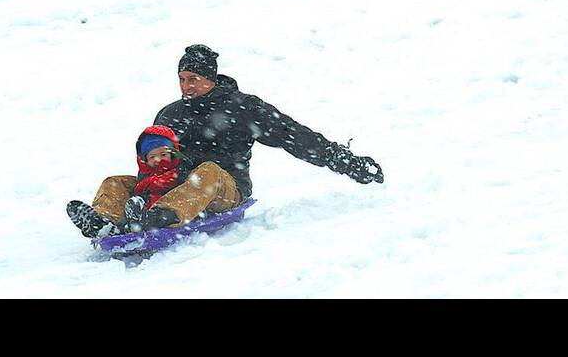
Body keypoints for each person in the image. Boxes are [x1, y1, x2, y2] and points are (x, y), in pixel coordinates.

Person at [67, 45, 383, 238]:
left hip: (224, 187)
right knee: (115, 182)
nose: (186, 87)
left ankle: (157, 217)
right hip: (172, 186)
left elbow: (295, 137)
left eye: (194, 79)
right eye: (181, 79)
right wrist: (146, 181)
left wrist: (348, 162)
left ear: (212, 79)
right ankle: (105, 222)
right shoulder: (170, 114)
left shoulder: (242, 107)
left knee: (207, 172)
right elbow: (152, 156)